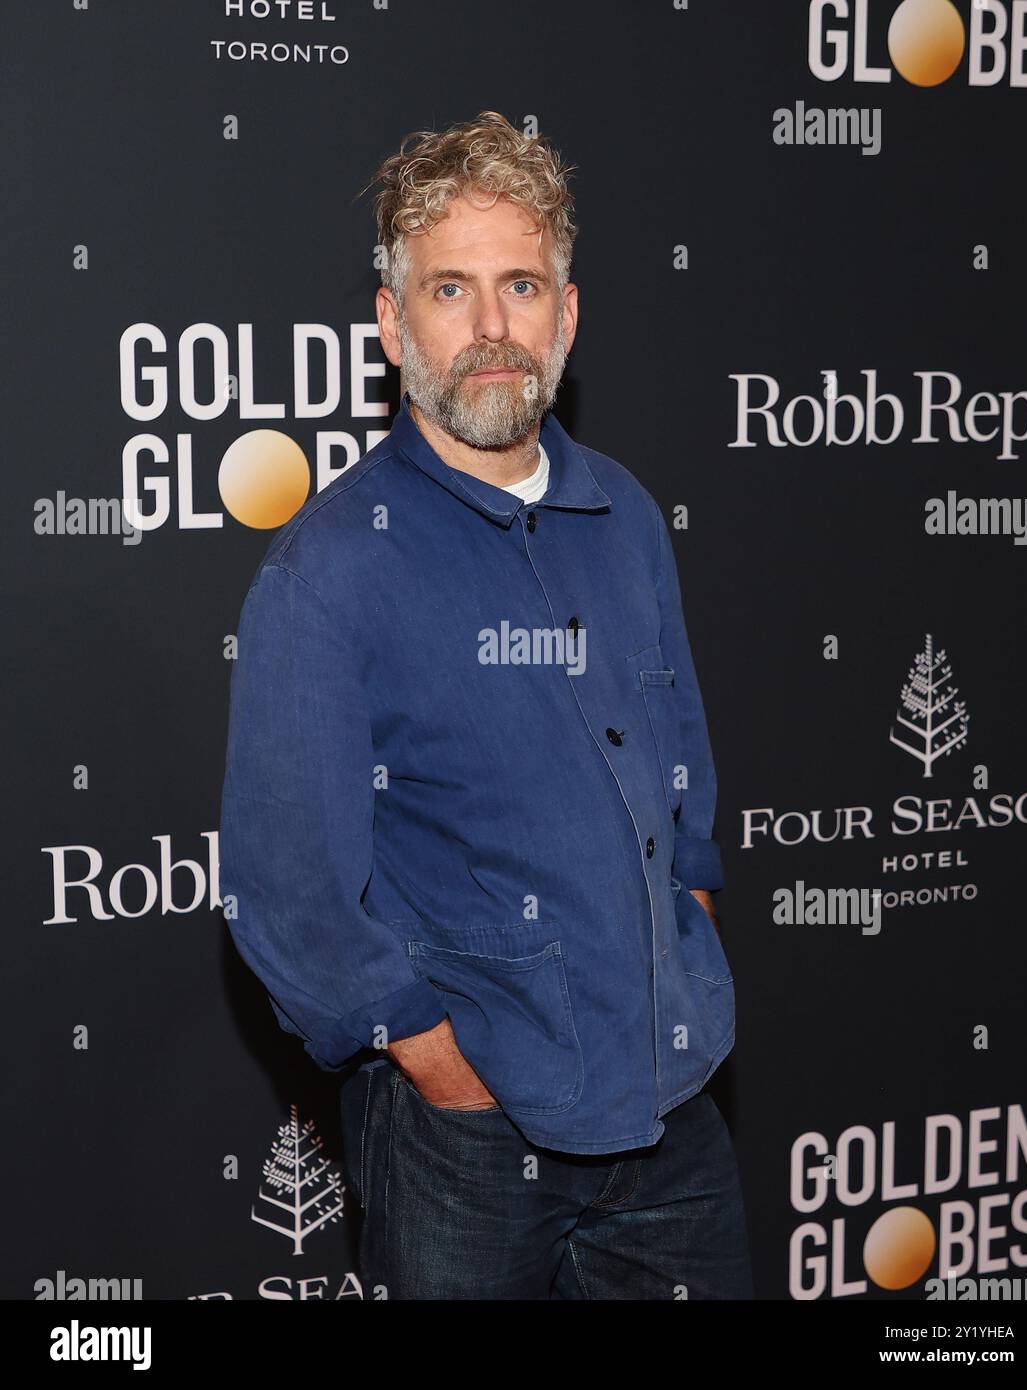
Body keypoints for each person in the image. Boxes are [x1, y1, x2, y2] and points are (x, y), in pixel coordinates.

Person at [219, 110, 753, 1300]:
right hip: (465, 1143)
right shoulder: (332, 569)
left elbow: (681, 765)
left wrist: (688, 925)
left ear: (567, 314)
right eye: (449, 289)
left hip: (671, 1109)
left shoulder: (625, 515)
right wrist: (438, 1064)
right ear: (391, 323)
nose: (492, 327)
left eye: (521, 284)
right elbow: (288, 883)